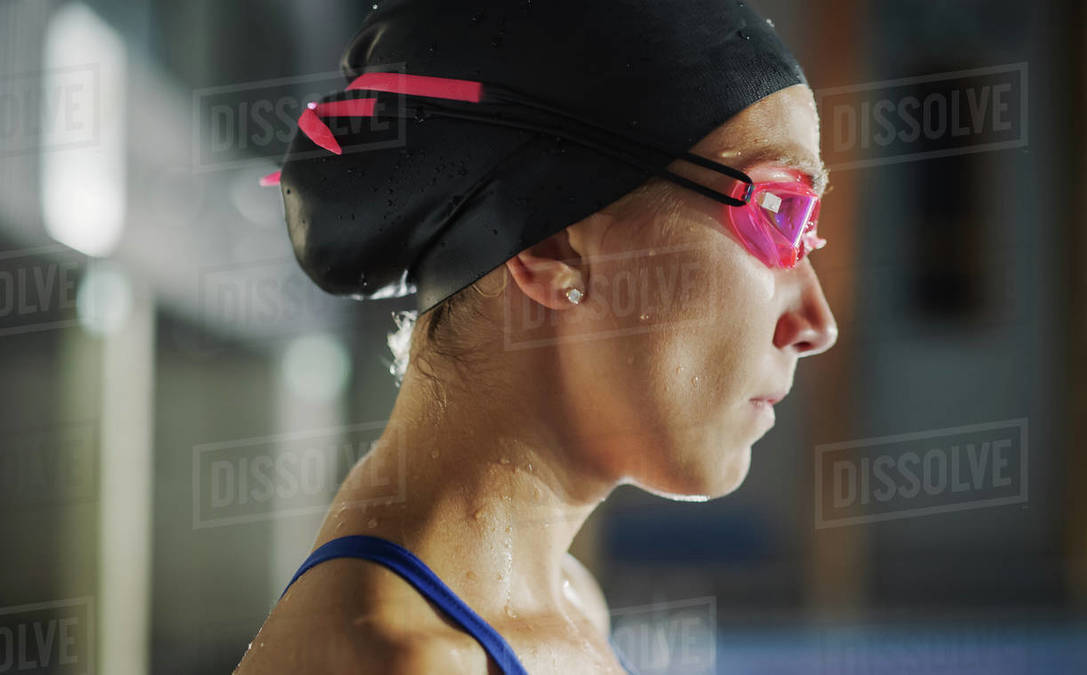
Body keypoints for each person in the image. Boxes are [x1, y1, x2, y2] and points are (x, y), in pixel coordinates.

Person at [237, 1, 836, 672]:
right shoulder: (394, 663)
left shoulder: (574, 604)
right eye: (779, 211)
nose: (817, 322)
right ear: (553, 239)